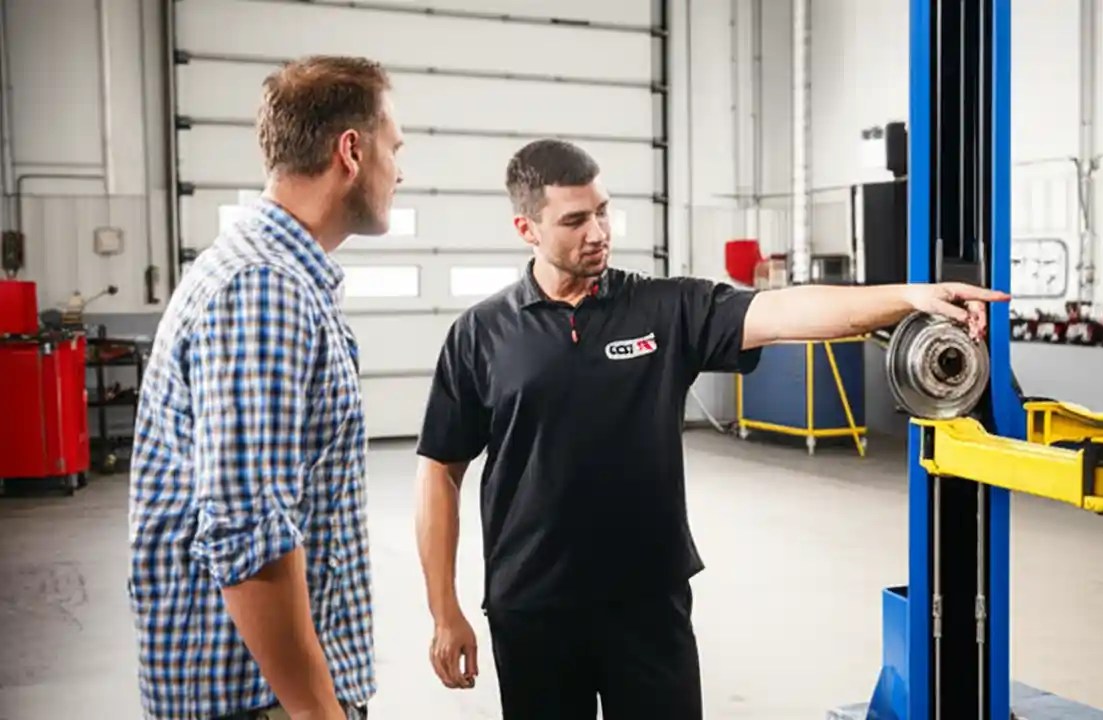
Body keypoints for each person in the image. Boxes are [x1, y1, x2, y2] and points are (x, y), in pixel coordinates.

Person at [412, 139, 1005, 719]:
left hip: (647, 604)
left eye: (603, 211)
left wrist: (910, 296)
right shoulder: (482, 334)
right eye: (574, 221)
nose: (598, 232)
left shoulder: (663, 309)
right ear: (527, 229)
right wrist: (445, 611)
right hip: (532, 609)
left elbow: (784, 311)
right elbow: (440, 468)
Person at [128, 55, 403, 720]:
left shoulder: (276, 273)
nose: (400, 171)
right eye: (395, 150)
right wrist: (318, 712)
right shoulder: (264, 288)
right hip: (258, 701)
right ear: (351, 152)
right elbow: (248, 533)